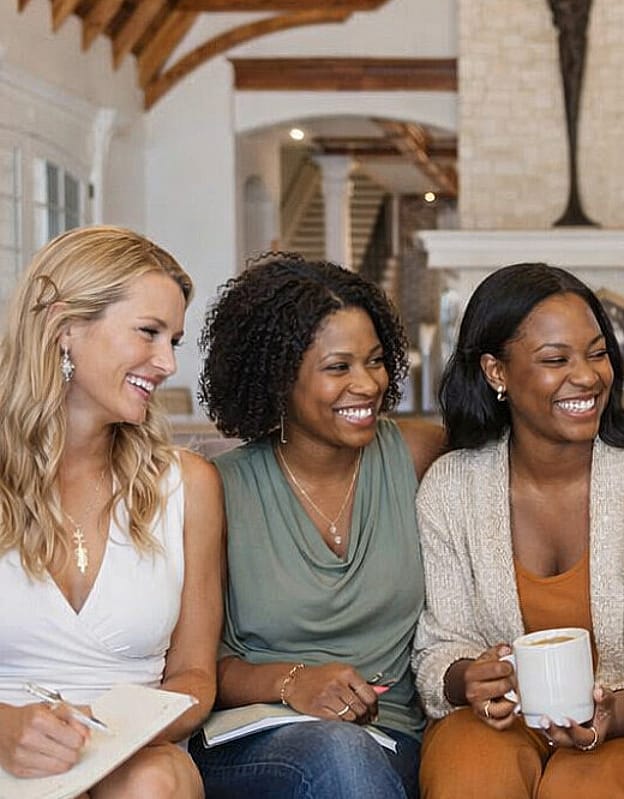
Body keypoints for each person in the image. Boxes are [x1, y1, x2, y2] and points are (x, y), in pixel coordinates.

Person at [414, 262, 624, 799]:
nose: (588, 376)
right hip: (497, 726)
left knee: (582, 788)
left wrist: (608, 715)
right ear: (495, 371)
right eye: (556, 359)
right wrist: (466, 678)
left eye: (598, 353)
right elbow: (440, 644)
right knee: (472, 775)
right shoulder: (451, 489)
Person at [189, 254, 443, 799]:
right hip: (254, 740)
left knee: (352, 758)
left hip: (390, 738)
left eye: (375, 362)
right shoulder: (217, 488)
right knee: (337, 754)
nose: (367, 384)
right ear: (279, 377)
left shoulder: (419, 455)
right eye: (338, 367)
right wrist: (293, 682)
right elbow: (194, 664)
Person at [0, 225, 222, 795]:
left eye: (173, 340)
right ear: (64, 326)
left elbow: (194, 674)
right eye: (148, 332)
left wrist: (114, 736)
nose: (167, 363)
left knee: (150, 782)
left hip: (135, 754)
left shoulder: (188, 485)